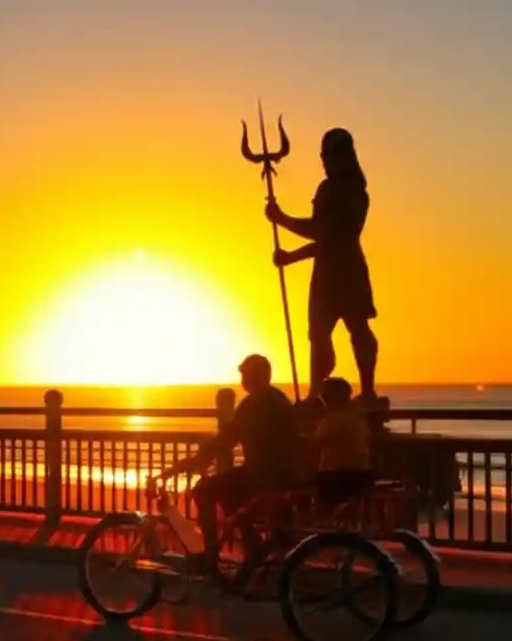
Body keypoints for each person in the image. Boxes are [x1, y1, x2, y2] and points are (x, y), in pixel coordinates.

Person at [266, 127, 379, 409]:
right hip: (332, 270)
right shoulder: (338, 190)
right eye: (323, 156)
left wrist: (282, 219)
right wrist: (290, 255)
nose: (325, 162)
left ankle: (364, 391)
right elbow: (325, 239)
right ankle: (316, 393)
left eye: (329, 156)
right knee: (320, 335)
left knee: (356, 330)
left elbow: (325, 234)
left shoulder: (349, 192)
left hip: (344, 270)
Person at [153, 354, 305, 554]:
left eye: (247, 375)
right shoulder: (280, 399)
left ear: (259, 376)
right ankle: (252, 545)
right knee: (230, 497)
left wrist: (194, 461)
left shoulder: (255, 405)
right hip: (286, 472)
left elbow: (227, 438)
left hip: (263, 474)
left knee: (204, 490)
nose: (244, 381)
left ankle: (210, 552)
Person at [311, 377, 376, 507]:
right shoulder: (358, 416)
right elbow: (369, 439)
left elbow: (317, 441)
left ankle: (323, 518)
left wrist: (316, 420)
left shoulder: (332, 419)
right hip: (363, 475)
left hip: (338, 477)